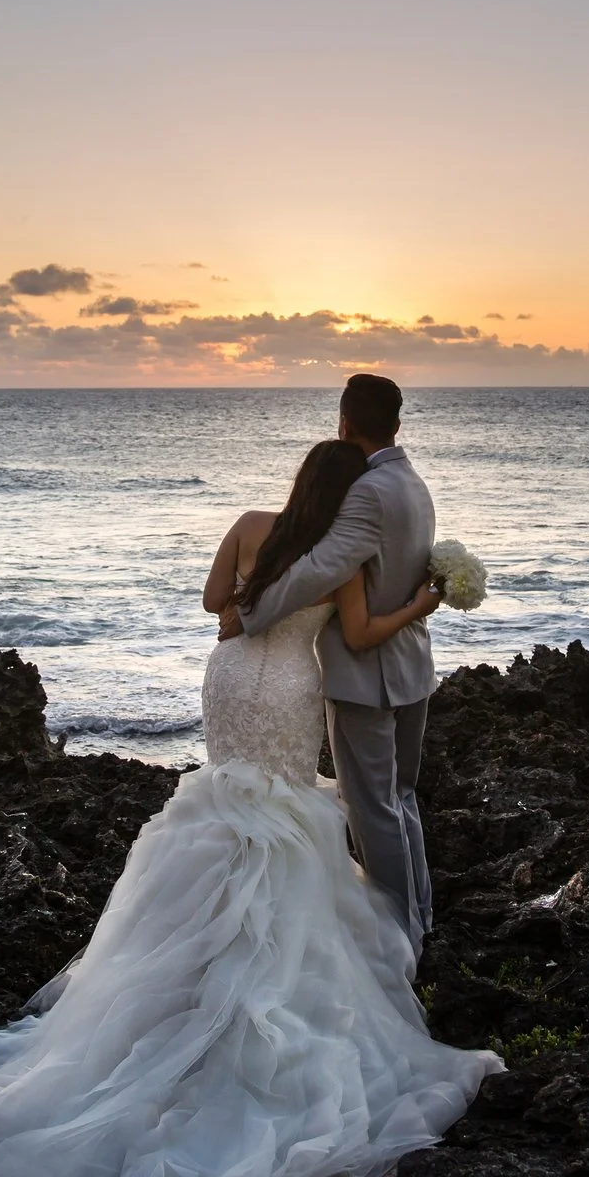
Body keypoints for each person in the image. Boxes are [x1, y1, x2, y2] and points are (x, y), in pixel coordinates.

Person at [0, 435, 499, 1177]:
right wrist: (423, 601)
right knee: (280, 809)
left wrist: (247, 607)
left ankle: (182, 979)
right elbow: (360, 632)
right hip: (291, 689)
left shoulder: (250, 524)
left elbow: (215, 604)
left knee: (222, 802)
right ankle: (239, 986)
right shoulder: (339, 556)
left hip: (231, 678)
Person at [231, 374, 440, 947]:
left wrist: (250, 610)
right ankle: (421, 918)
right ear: (397, 425)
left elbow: (322, 567)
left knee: (373, 810)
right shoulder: (414, 484)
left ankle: (399, 937)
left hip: (366, 678)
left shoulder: (368, 492)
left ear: (344, 424)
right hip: (412, 667)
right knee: (402, 799)